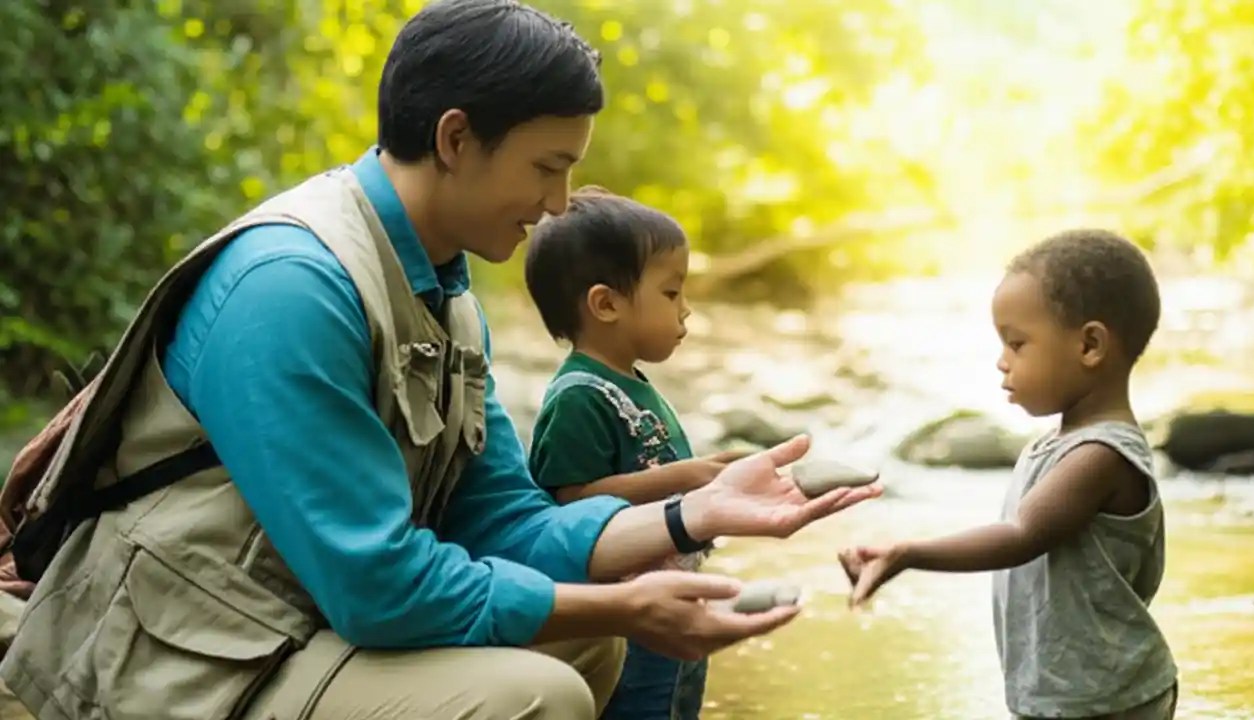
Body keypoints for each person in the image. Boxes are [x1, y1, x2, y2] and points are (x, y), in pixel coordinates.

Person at [0, 2, 881, 719]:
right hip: (182, 664)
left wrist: (692, 514)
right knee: (532, 694)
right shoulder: (292, 286)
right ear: (456, 139)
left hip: (301, 624)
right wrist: (623, 600)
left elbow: (505, 523)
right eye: (547, 166)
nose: (559, 204)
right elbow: (377, 585)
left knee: (584, 642)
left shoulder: (447, 294)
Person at [839, 229, 1179, 720]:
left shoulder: (1100, 456)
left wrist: (908, 553)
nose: (1002, 362)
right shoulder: (1057, 445)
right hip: (1071, 695)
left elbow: (1021, 535)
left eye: (1017, 344)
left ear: (1090, 346)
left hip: (1109, 701)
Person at [525, 188, 762, 720]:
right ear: (606, 303)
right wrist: (686, 475)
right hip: (623, 614)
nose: (686, 309)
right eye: (671, 293)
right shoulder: (580, 395)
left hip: (673, 591)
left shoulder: (632, 383)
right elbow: (570, 500)